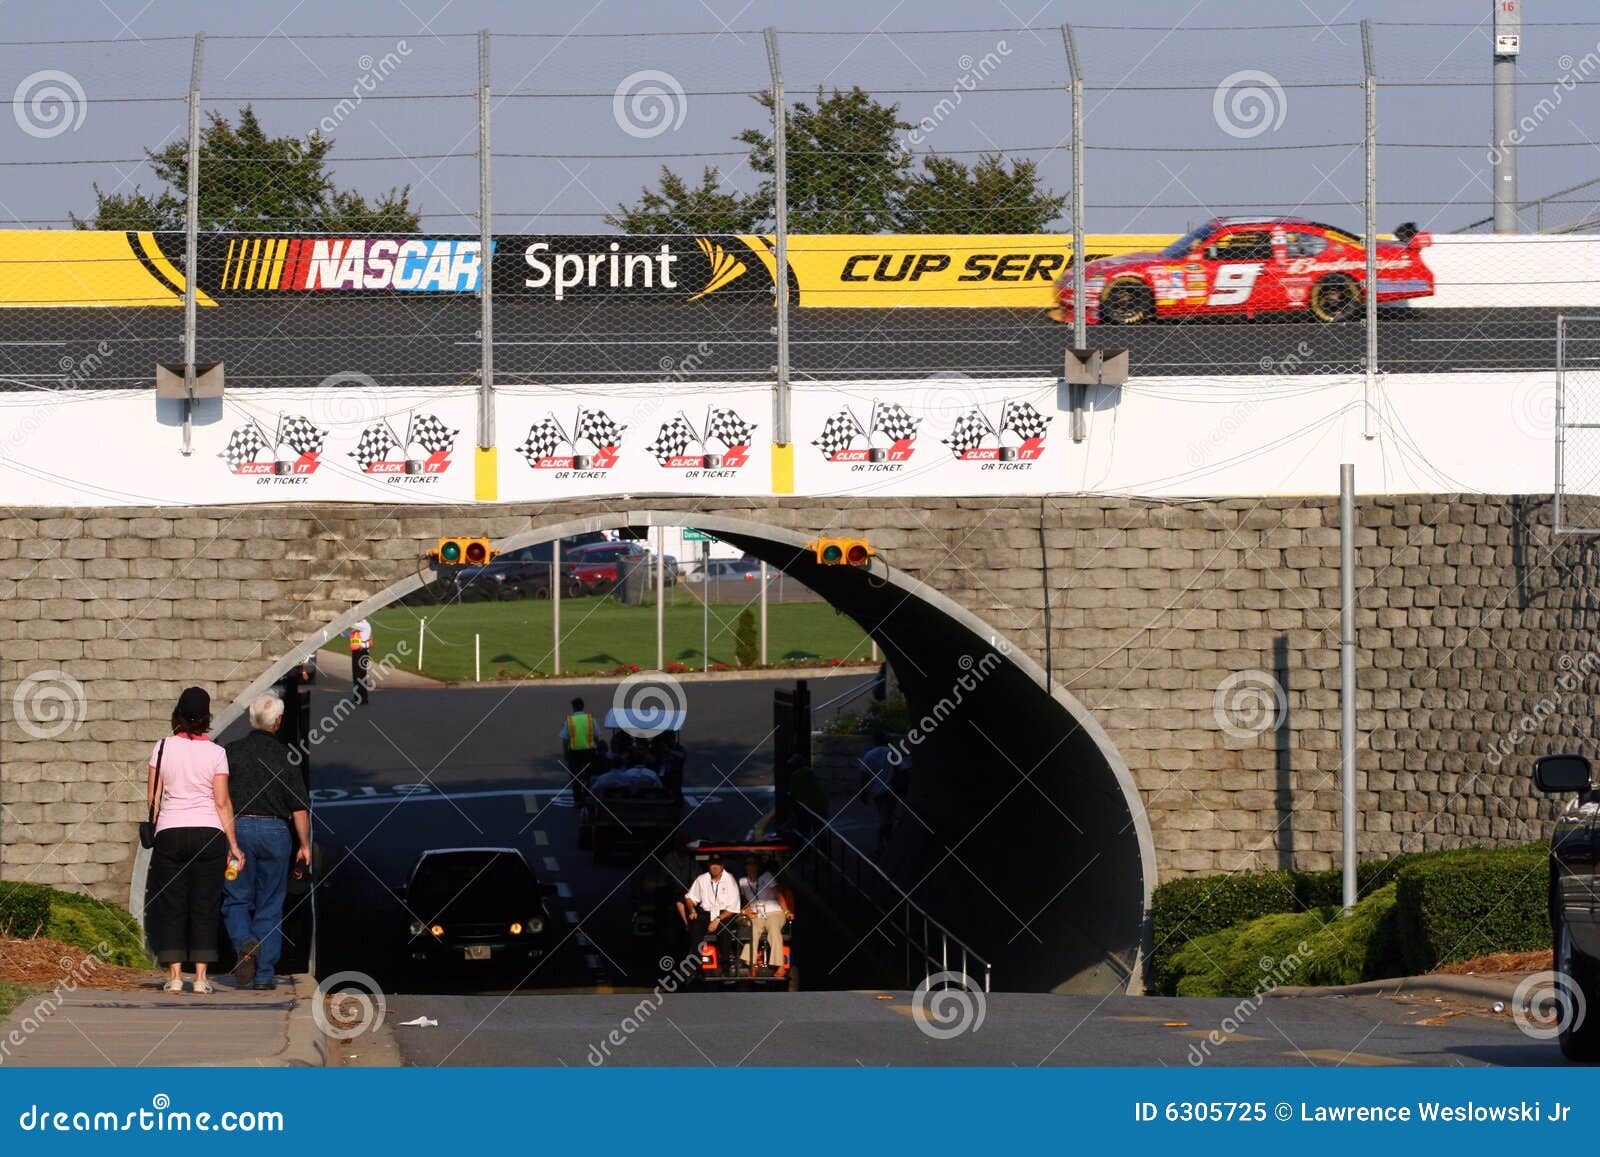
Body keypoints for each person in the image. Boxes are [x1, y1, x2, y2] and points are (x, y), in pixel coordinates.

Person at [145, 687, 244, 995]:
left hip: (170, 832)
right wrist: (233, 845)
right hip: (208, 833)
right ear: (207, 718)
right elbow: (222, 802)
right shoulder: (216, 753)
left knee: (172, 905)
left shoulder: (162, 748)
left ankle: (175, 976)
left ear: (177, 715)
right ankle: (201, 978)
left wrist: (157, 824)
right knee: (205, 905)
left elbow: (153, 797)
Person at [221, 693, 312, 989]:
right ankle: (263, 975)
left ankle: (244, 943)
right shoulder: (287, 756)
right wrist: (304, 845)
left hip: (239, 830)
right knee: (270, 903)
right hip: (276, 832)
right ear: (277, 723)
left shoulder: (231, 752)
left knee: (236, 898)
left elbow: (220, 798)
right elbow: (299, 808)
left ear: (251, 719)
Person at [683, 854, 741, 974]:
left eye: (717, 864)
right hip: (706, 912)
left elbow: (733, 908)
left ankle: (725, 964)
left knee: (724, 928)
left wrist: (717, 919)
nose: (715, 867)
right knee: (695, 924)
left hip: (724, 913)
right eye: (712, 864)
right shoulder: (702, 878)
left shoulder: (730, 879)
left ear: (722, 866)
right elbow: (689, 897)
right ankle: (697, 964)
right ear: (709, 865)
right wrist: (692, 910)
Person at [738, 856, 791, 978]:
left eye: (753, 864)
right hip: (756, 913)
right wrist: (746, 910)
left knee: (774, 930)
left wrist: (786, 911)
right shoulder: (742, 881)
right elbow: (743, 900)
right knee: (753, 930)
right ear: (745, 867)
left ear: (758, 866)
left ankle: (780, 965)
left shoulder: (766, 876)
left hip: (774, 911)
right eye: (748, 864)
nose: (750, 866)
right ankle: (752, 965)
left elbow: (778, 895)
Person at [861, 730, 898, 855]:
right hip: (891, 790)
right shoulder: (892, 753)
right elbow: (903, 769)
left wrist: (863, 792)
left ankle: (884, 845)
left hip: (877, 792)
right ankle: (885, 844)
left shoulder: (869, 755)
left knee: (884, 818)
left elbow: (864, 775)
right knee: (888, 818)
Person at [560, 697, 603, 782]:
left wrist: (566, 753)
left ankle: (577, 789)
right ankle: (587, 786)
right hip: (589, 752)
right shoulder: (591, 719)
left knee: (575, 776)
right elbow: (597, 736)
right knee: (588, 774)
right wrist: (597, 750)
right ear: (583, 707)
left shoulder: (569, 721)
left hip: (574, 753)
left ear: (573, 707)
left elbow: (565, 740)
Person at [787, 755, 830, 837]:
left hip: (812, 806)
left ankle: (806, 841)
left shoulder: (795, 775)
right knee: (820, 829)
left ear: (794, 765)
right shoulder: (810, 771)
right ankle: (822, 844)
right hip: (823, 803)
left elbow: (793, 794)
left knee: (806, 827)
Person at [345, 617, 372, 705]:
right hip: (356, 652)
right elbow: (349, 635)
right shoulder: (358, 627)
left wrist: (342, 622)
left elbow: (352, 624)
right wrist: (340, 631)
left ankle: (363, 699)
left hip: (362, 652)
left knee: (361, 676)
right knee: (356, 675)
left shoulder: (365, 625)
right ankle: (357, 698)